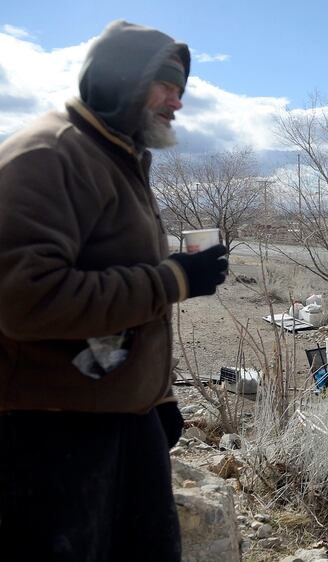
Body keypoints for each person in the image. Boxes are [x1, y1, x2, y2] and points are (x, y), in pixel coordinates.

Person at [0, 21, 228, 561]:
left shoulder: (117, 159)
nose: (178, 100)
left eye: (182, 88)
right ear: (118, 80)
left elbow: (122, 296)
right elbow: (22, 298)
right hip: (50, 433)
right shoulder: (50, 155)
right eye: (167, 83)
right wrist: (172, 280)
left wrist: (159, 399)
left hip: (121, 417)